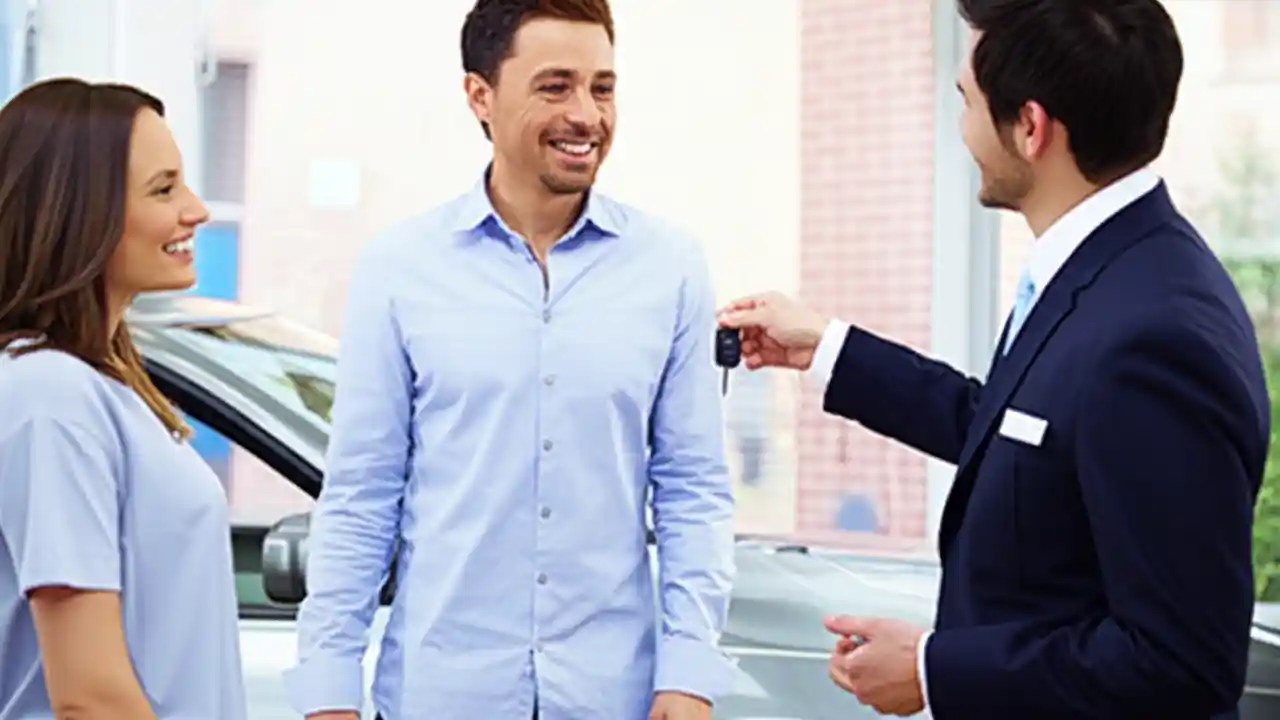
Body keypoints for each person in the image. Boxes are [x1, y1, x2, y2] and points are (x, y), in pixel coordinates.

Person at [718, 0, 1268, 718]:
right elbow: (1023, 437)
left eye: (966, 101)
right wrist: (830, 350)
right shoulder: (1112, 268)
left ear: (1031, 127)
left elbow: (1179, 663)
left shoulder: (1154, 336)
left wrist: (932, 669)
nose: (962, 129)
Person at [283, 1, 736, 719]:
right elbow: (362, 495)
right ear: (480, 96)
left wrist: (687, 672)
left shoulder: (670, 268)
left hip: (611, 696)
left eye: (603, 87)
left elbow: (692, 488)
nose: (587, 114)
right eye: (555, 87)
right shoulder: (400, 270)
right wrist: (329, 685)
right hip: (442, 695)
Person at [0, 79, 245, 718]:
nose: (195, 210)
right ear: (81, 211)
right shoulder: (47, 394)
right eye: (163, 190)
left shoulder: (99, 388)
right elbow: (90, 696)